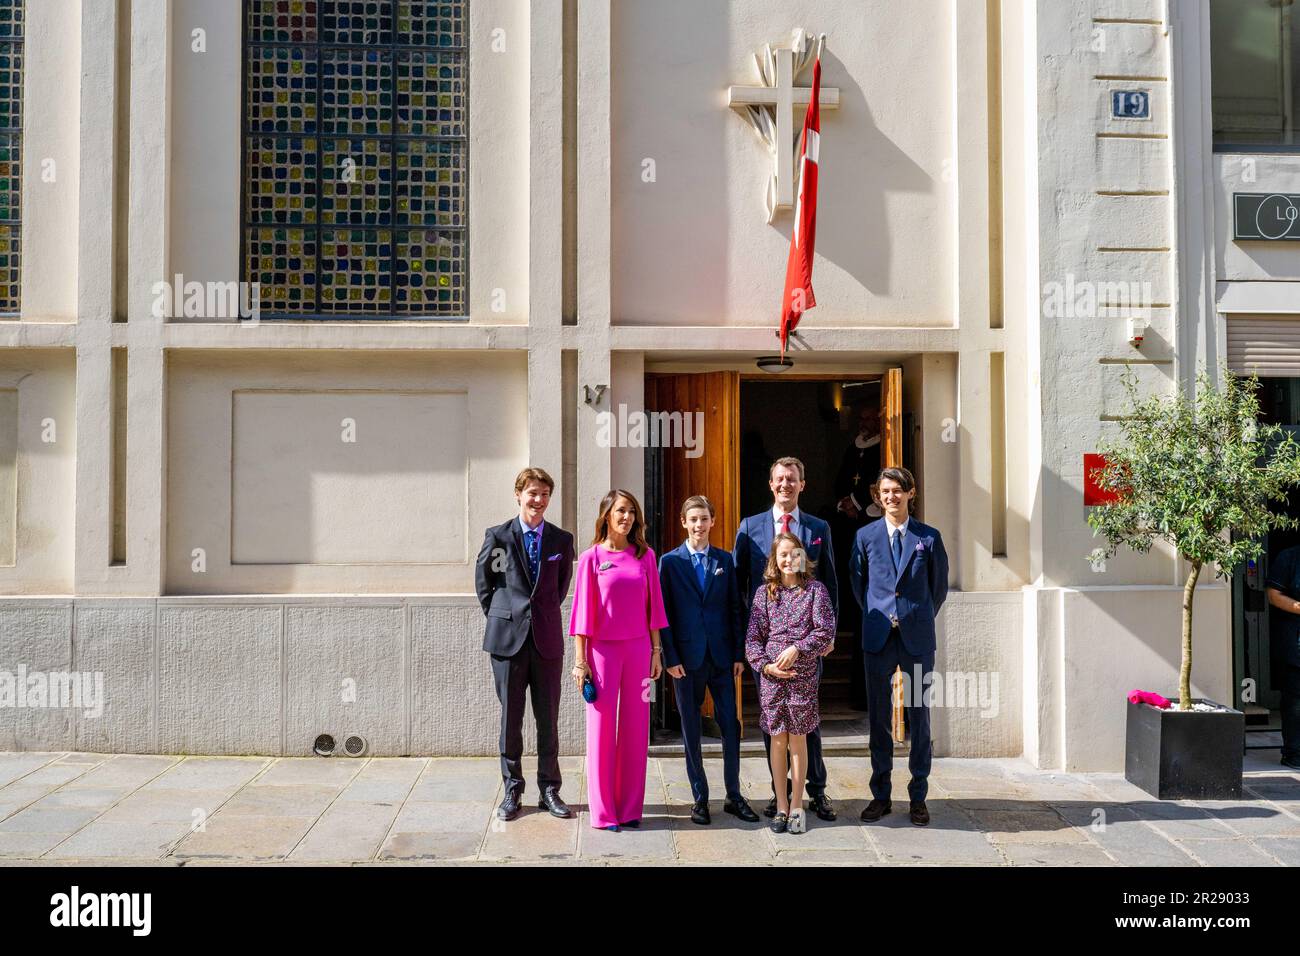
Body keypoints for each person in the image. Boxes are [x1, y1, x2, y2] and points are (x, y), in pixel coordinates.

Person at [734, 456, 839, 821]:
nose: (785, 485)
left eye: (792, 479)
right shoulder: (749, 527)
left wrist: (829, 632)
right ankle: (779, 794)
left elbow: (830, 581)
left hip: (808, 647)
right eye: (779, 479)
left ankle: (816, 791)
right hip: (766, 644)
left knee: (808, 724)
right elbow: (739, 587)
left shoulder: (817, 527)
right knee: (773, 727)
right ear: (770, 483)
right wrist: (753, 651)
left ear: (802, 484)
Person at [474, 467, 576, 821]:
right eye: (533, 493)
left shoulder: (561, 541)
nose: (539, 500)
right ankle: (512, 791)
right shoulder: (498, 536)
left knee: (548, 719)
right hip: (507, 643)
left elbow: (560, 588)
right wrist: (505, 615)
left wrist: (539, 614)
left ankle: (550, 790)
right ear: (518, 494)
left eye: (545, 494)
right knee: (510, 720)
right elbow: (485, 585)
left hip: (546, 641)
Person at [849, 466, 949, 827]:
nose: (890, 497)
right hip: (878, 638)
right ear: (878, 496)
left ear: (911, 493)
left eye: (897, 491)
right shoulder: (865, 536)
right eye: (885, 491)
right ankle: (881, 794)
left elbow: (938, 588)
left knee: (919, 716)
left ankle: (918, 795)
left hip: (917, 639)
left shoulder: (929, 537)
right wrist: (882, 615)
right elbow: (858, 584)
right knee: (878, 718)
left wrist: (913, 615)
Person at [569, 489, 669, 831]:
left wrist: (657, 652)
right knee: (599, 732)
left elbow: (654, 608)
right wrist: (580, 661)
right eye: (620, 511)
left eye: (631, 512)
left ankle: (629, 809)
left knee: (636, 730)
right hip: (601, 654)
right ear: (607, 516)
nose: (627, 517)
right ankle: (603, 812)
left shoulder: (646, 556)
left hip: (640, 652)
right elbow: (582, 614)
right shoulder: (591, 558)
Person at [659, 495, 760, 826]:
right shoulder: (670, 563)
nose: (699, 525)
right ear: (684, 523)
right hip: (685, 661)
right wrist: (670, 656)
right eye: (694, 519)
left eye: (705, 519)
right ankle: (699, 797)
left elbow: (735, 607)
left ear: (712, 522)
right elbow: (664, 615)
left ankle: (733, 794)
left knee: (730, 725)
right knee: (691, 729)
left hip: (721, 658)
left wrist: (738, 654)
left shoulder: (725, 561)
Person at [745, 533, 836, 834]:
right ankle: (781, 806)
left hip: (802, 677)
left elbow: (824, 631)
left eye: (793, 554)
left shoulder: (816, 591)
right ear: (774, 559)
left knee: (798, 740)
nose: (788, 560)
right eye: (782, 554)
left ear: (802, 558)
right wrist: (766, 666)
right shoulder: (763, 594)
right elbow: (753, 639)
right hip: (772, 679)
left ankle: (798, 804)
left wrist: (797, 648)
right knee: (777, 740)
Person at [833, 402, 883, 710]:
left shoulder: (881, 449)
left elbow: (875, 484)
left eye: (868, 417)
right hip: (849, 524)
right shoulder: (854, 448)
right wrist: (844, 501)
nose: (864, 422)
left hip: (868, 518)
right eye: (861, 417)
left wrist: (857, 502)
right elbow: (841, 479)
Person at [1264, 546, 1300, 770]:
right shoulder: (1290, 557)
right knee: (1296, 703)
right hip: (1296, 644)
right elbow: (1273, 595)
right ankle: (1294, 753)